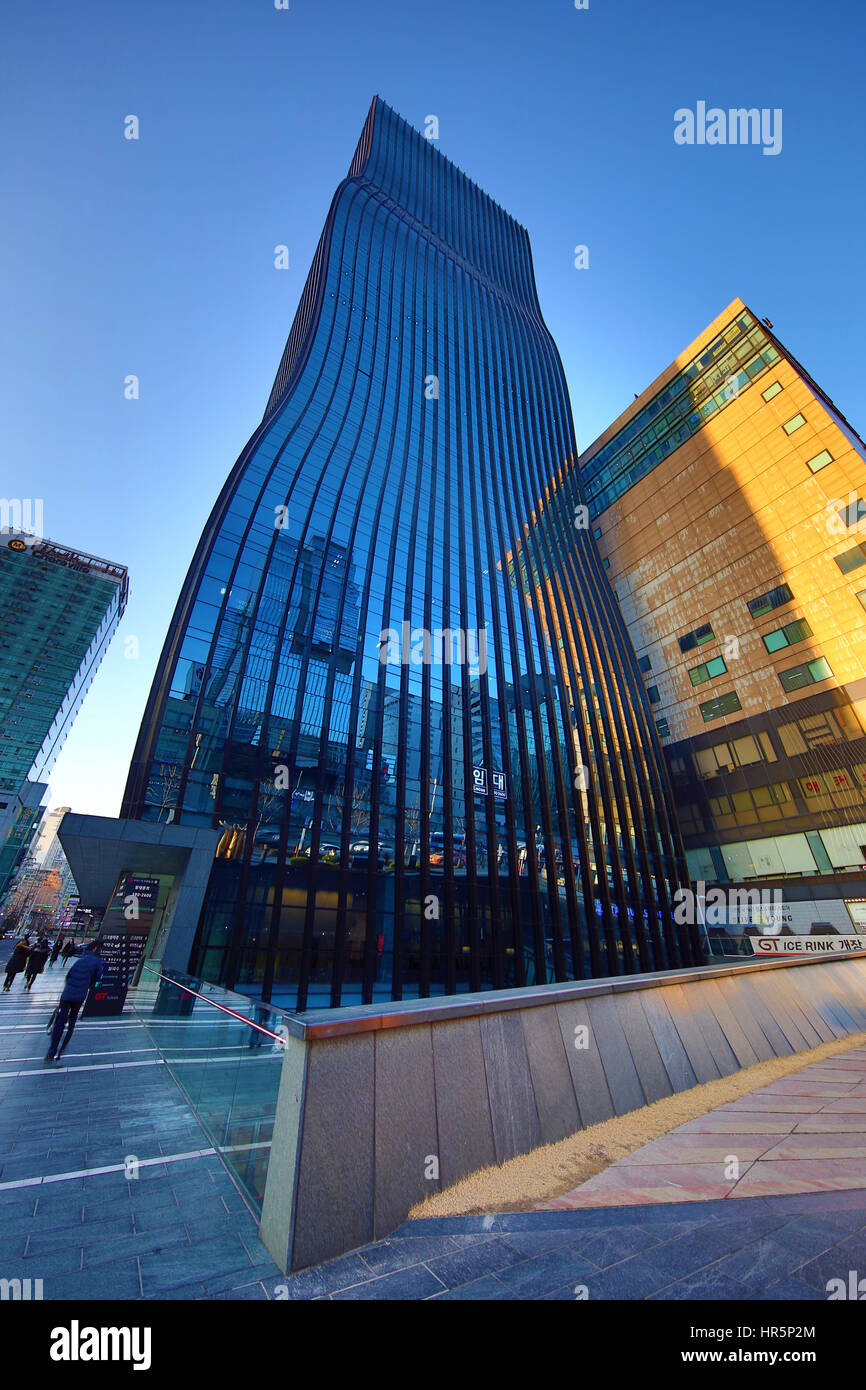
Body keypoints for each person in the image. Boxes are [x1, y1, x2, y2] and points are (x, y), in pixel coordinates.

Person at [45, 940, 104, 1065]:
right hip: (79, 996)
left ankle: (52, 1051)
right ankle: (60, 1051)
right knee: (71, 1022)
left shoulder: (80, 960)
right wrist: (88, 984)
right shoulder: (97, 962)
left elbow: (68, 976)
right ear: (95, 949)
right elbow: (97, 977)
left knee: (60, 1022)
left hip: (66, 995)